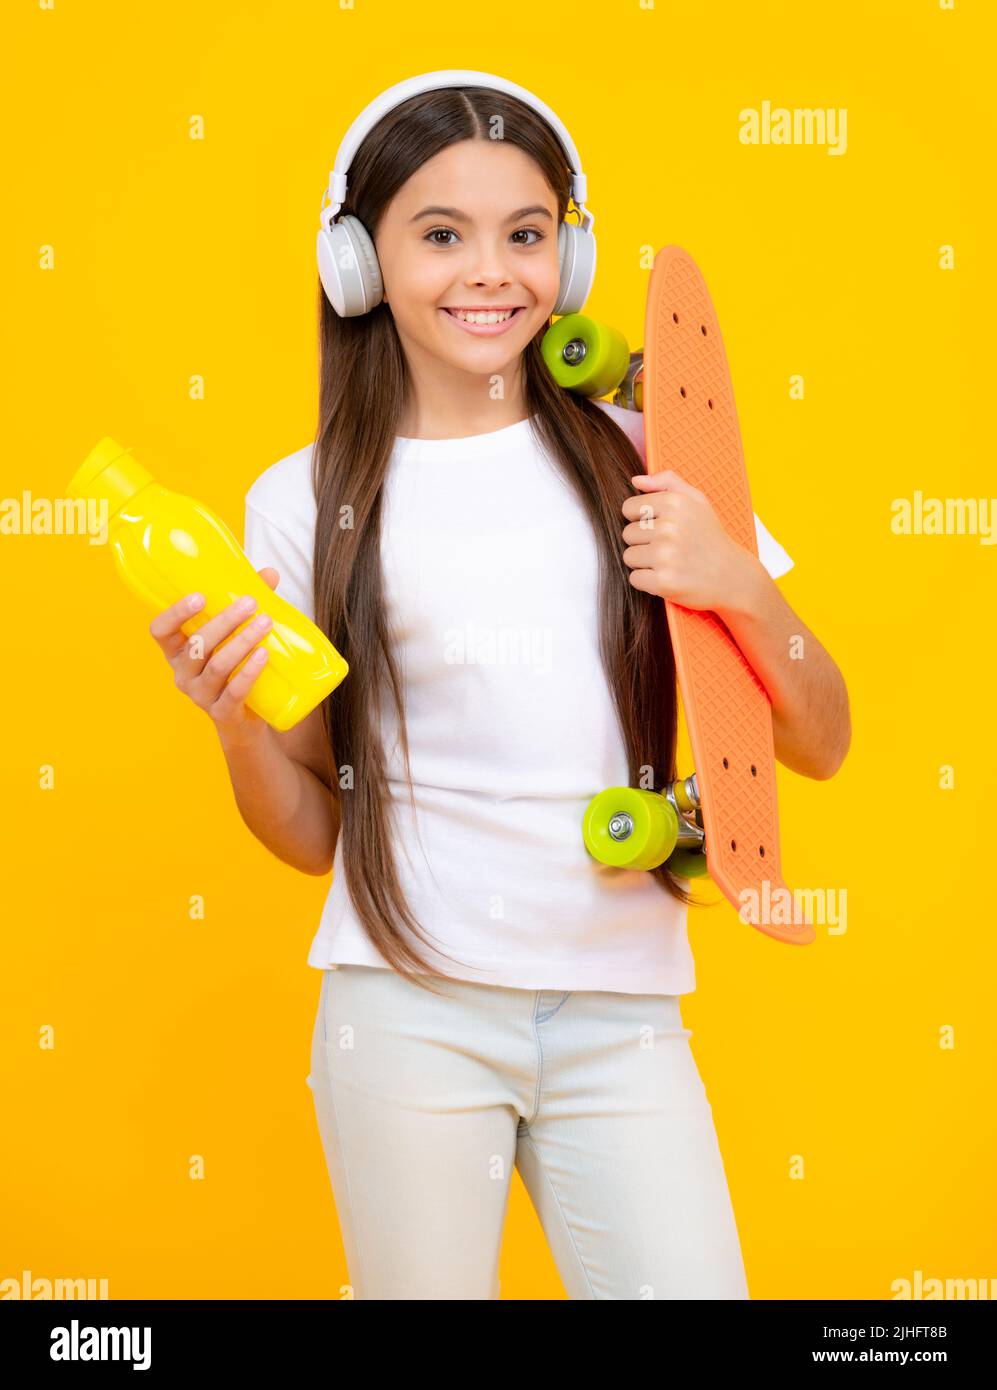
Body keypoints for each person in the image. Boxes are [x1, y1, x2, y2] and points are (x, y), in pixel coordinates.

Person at [150, 71, 850, 1300]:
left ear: (568, 262)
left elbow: (824, 738)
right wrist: (235, 726)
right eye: (440, 236)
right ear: (359, 264)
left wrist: (740, 583)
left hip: (621, 1014)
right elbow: (312, 835)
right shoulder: (299, 503)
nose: (491, 272)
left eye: (525, 235)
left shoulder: (647, 454)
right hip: (404, 1013)